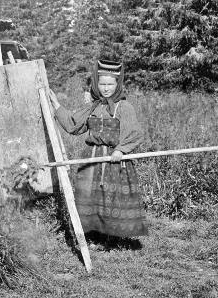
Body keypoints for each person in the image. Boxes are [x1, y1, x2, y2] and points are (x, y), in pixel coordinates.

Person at [47, 59, 148, 242]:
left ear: (117, 84)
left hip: (114, 161)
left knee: (111, 197)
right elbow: (73, 125)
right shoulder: (94, 106)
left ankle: (114, 239)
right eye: (102, 84)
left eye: (110, 84)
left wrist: (121, 150)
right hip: (92, 160)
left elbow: (135, 132)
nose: (106, 88)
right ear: (96, 84)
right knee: (90, 197)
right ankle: (92, 236)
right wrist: (56, 104)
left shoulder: (124, 107)